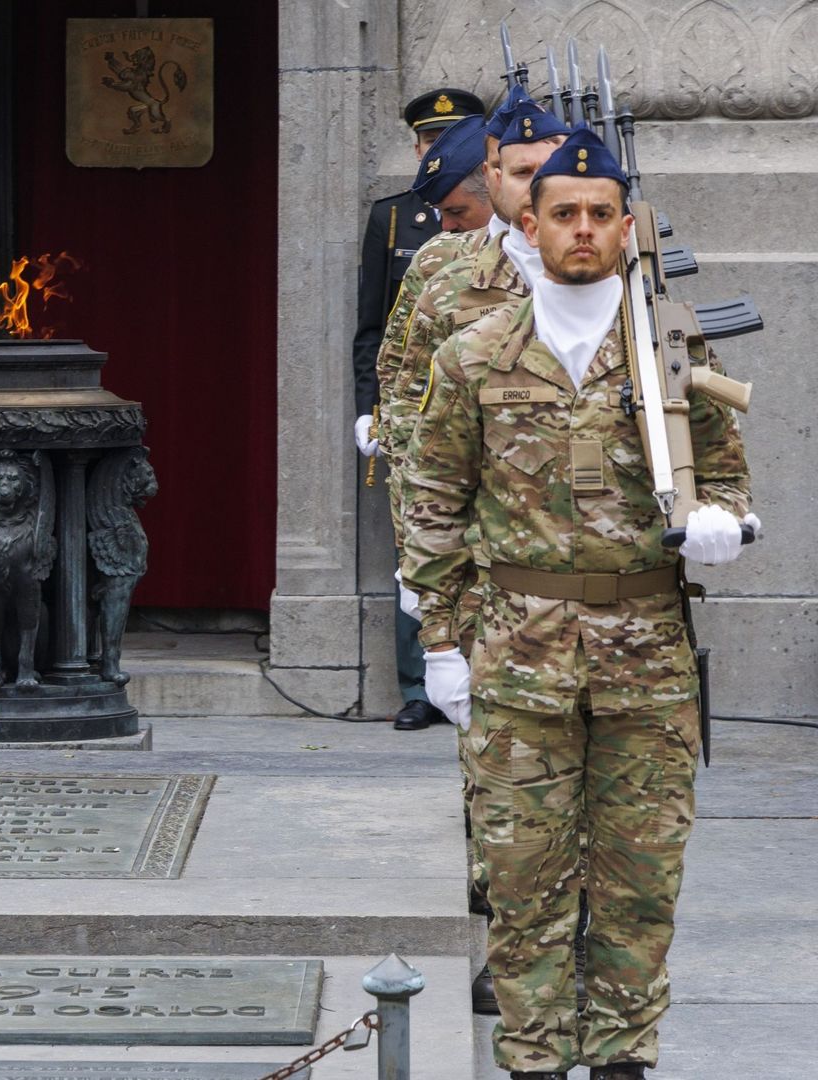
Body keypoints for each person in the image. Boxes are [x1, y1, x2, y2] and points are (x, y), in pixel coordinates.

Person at [402, 129, 754, 1080]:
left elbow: (725, 475)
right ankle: (533, 1062)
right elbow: (432, 501)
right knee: (524, 885)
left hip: (646, 655)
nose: (585, 230)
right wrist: (439, 642)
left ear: (628, 225)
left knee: (640, 881)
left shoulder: (674, 346)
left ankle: (622, 1060)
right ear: (531, 223)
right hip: (518, 654)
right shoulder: (475, 354)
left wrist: (723, 521)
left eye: (603, 213)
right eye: (565, 213)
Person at [377, 101, 571, 1018]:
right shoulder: (445, 270)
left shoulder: (625, 262)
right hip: (495, 578)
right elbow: (406, 415)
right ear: (489, 175)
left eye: (551, 170)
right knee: (499, 784)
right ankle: (507, 938)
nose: (537, 190)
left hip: (609, 583)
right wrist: (426, 581)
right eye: (519, 170)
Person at [350, 87, 482, 730]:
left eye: (454, 138)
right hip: (420, 411)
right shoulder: (398, 220)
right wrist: (370, 409)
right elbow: (377, 330)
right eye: (432, 140)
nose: (440, 149)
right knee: (416, 542)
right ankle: (419, 682)